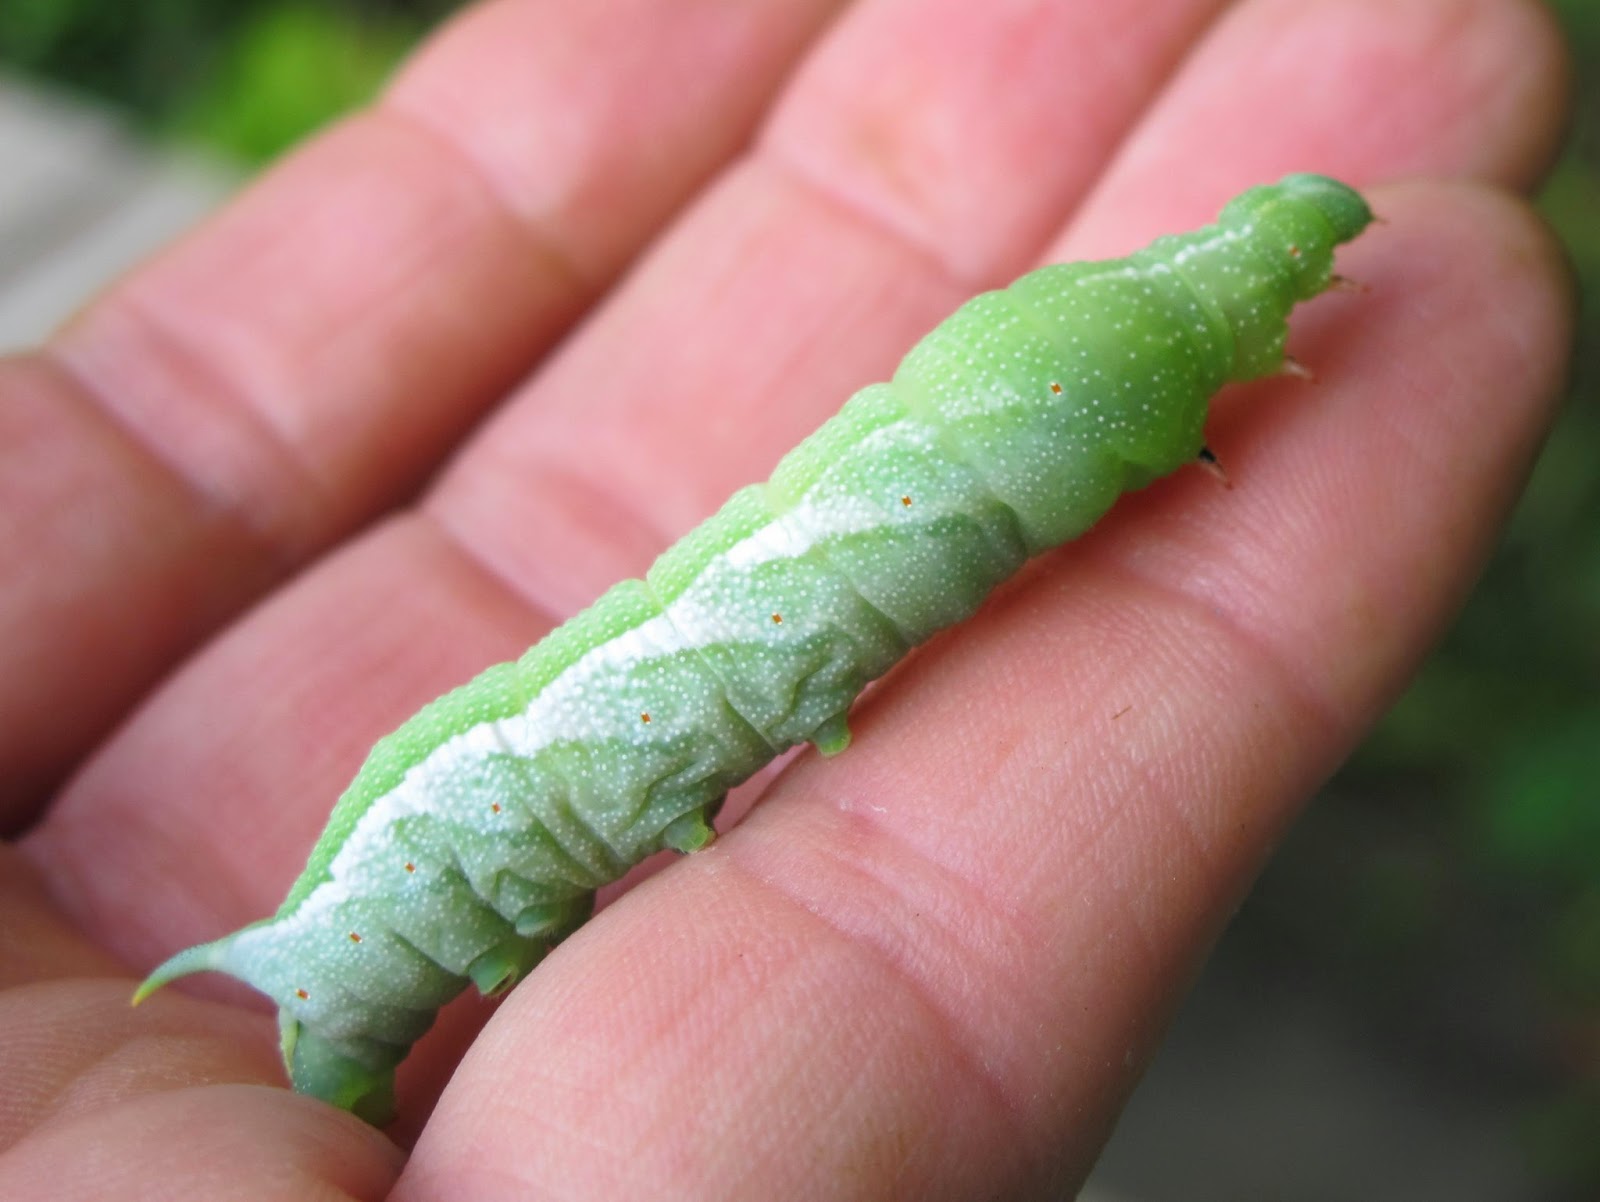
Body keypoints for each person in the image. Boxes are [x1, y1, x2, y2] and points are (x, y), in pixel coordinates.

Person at [0, 0, 1575, 1197]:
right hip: (425, 857)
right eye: (1238, 316)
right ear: (1113, 433)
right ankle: (336, 969)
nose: (1271, 299)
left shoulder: (978, 450)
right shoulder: (977, 460)